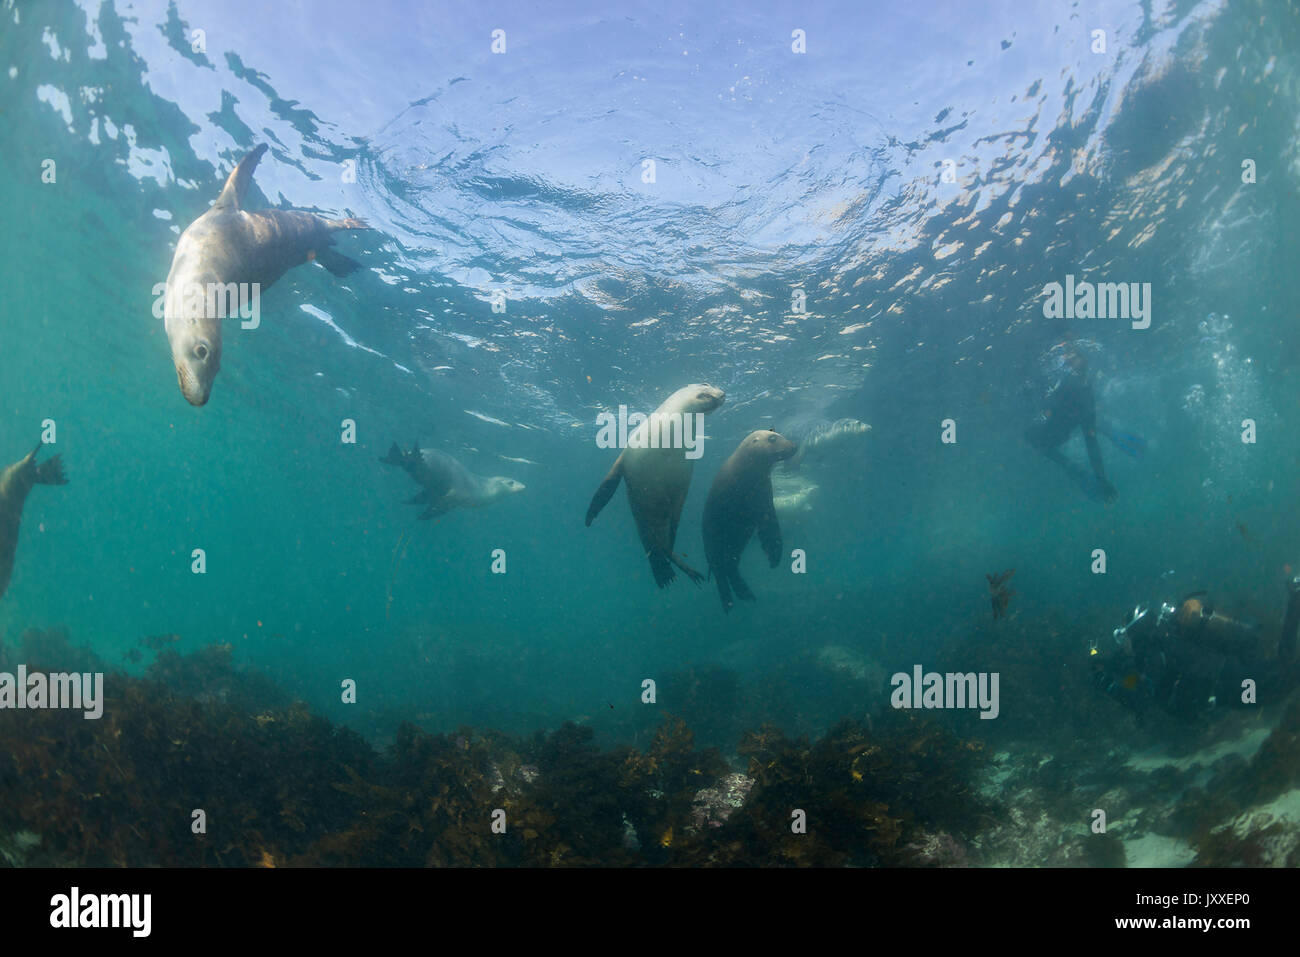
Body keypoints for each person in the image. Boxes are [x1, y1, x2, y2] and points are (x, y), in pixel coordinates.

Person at [1091, 580, 1300, 719]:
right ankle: (1295, 597)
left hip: (1228, 682)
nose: (1123, 643)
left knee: (1283, 680)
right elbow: (1126, 664)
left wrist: (1108, 686)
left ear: (1135, 634)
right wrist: (1105, 664)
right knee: (1283, 672)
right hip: (1229, 668)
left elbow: (1140, 702)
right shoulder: (1159, 642)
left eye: (1123, 637)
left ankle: (1296, 598)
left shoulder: (1154, 654)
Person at [1025, 348, 1118, 503]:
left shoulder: (1077, 390)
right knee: (1087, 429)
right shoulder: (1079, 390)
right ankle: (1100, 429)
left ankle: (1098, 431)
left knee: (1033, 437)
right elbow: (1091, 443)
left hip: (1057, 431)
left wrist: (1100, 479)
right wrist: (1101, 479)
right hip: (1061, 428)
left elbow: (1091, 443)